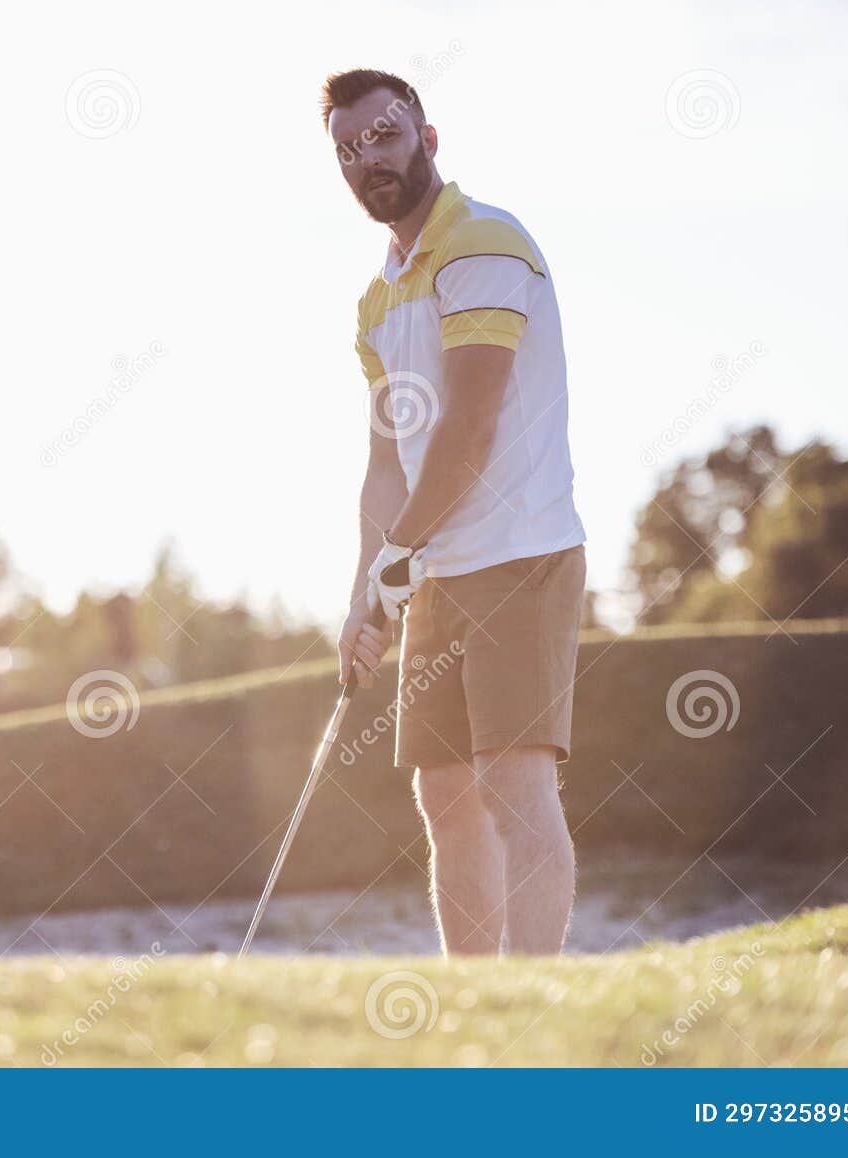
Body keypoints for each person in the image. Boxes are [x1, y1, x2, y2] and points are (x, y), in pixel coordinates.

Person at [324, 69, 588, 955]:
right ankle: (479, 1014)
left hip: (521, 553)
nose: (371, 160)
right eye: (350, 150)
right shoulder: (377, 299)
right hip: (436, 566)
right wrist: (369, 586)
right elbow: (384, 463)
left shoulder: (481, 245)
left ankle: (532, 1017)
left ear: (428, 140)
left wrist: (398, 556)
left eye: (386, 137)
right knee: (445, 797)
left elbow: (470, 429)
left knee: (513, 785)